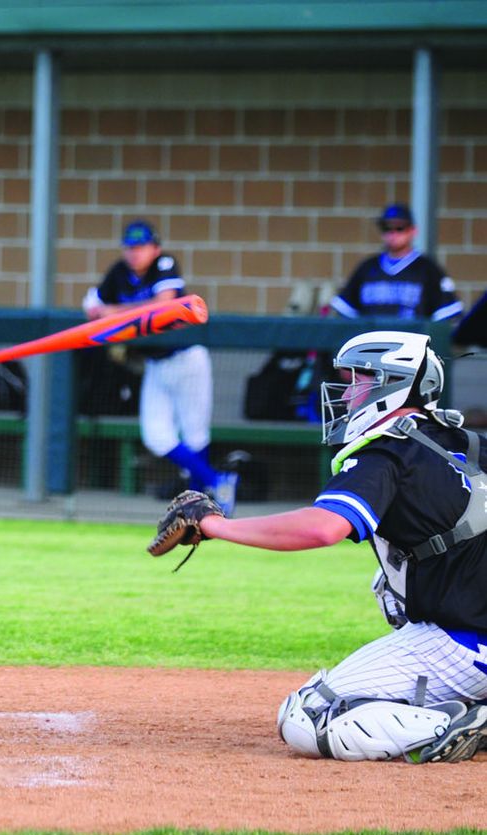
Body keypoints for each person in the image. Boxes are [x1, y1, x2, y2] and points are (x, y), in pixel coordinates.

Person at [186, 331, 487, 763]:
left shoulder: (386, 452)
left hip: (464, 645)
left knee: (306, 718)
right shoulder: (467, 442)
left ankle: (457, 721)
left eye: (358, 380)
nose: (347, 394)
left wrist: (214, 525)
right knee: (390, 583)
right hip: (474, 629)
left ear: (393, 383)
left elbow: (324, 528)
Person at [85, 220, 240, 512]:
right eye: (130, 248)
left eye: (141, 248)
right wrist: (102, 311)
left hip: (186, 358)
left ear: (155, 248)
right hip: (155, 363)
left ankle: (199, 500)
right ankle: (217, 481)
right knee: (155, 436)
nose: (134, 254)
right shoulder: (119, 273)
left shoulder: (165, 264)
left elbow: (162, 305)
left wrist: (112, 312)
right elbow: (92, 305)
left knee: (195, 433)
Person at [330, 204, 461, 325]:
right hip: (371, 346)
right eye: (387, 228)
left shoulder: (428, 270)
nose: (393, 233)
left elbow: (447, 317)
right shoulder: (367, 268)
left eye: (400, 228)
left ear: (413, 231)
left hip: (412, 346)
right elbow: (345, 314)